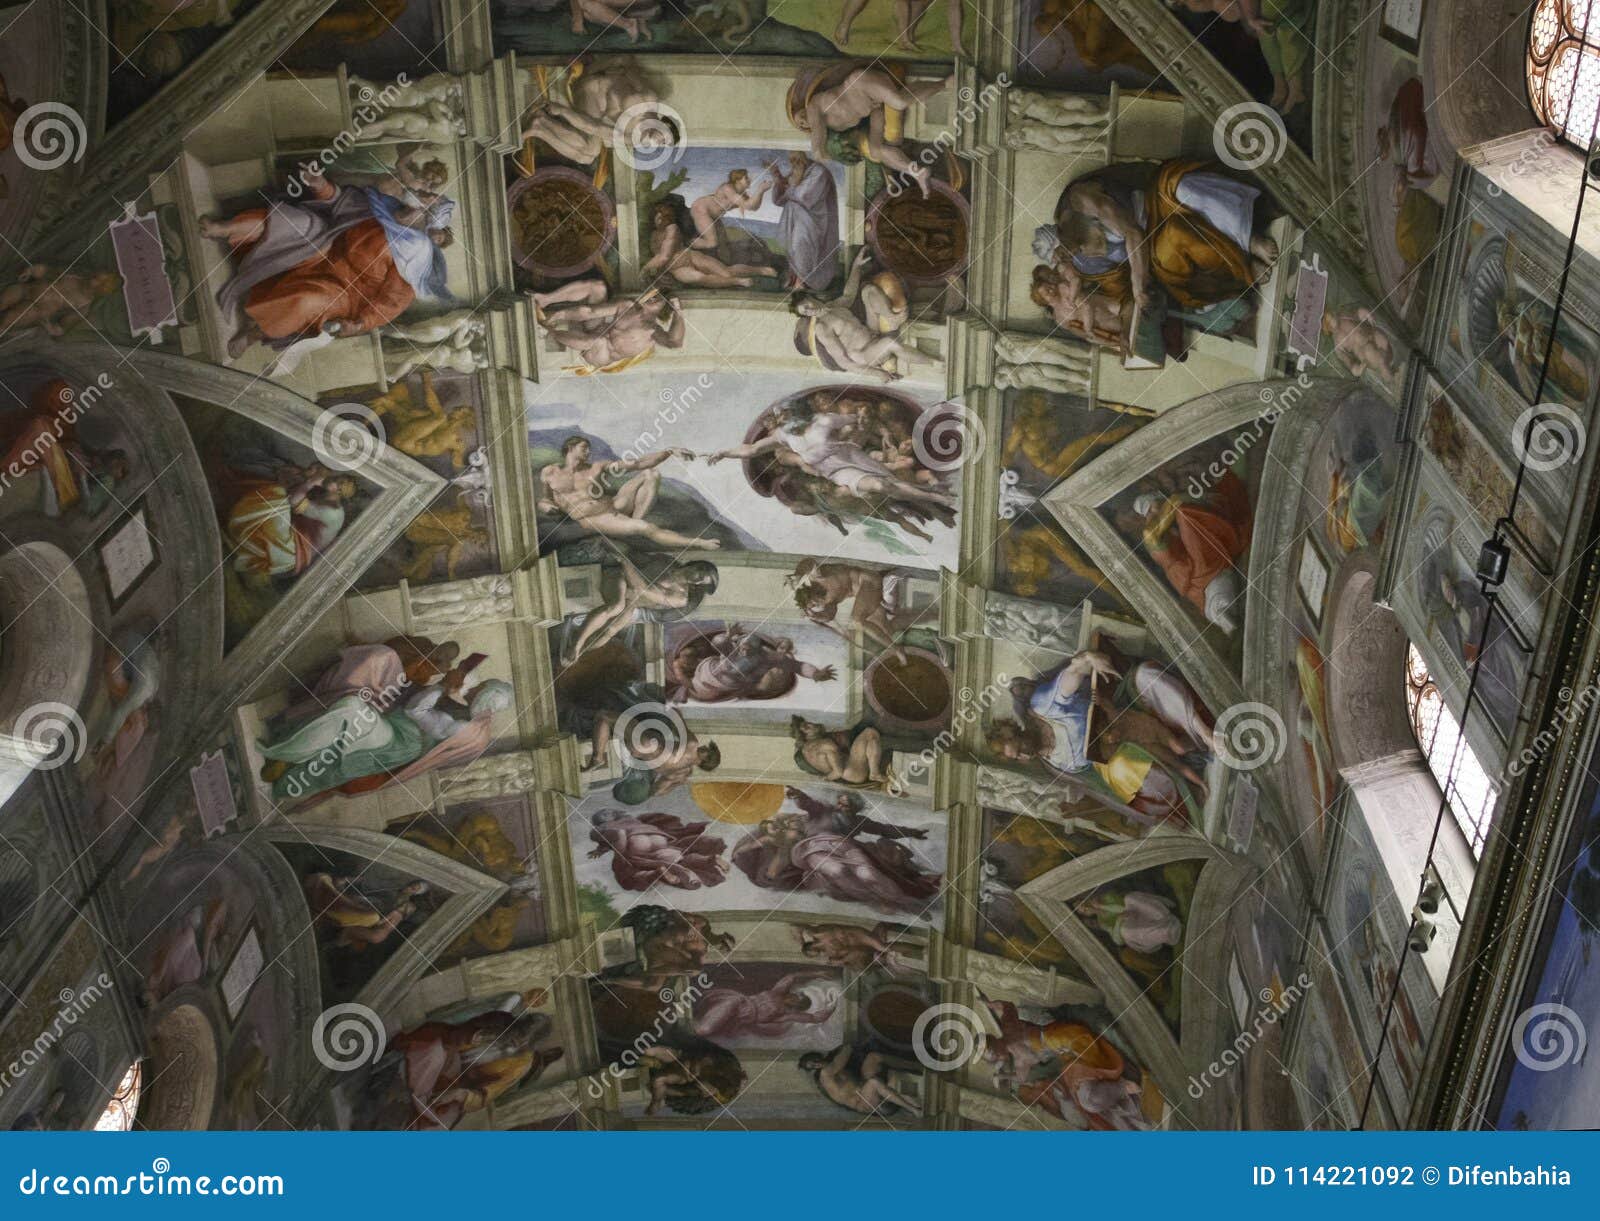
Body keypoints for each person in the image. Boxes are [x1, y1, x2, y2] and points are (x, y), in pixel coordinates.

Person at [203, 168, 451, 359]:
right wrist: (319, 184)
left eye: (423, 210)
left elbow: (393, 301)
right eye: (418, 201)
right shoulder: (381, 206)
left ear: (426, 225)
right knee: (294, 222)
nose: (417, 206)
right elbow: (339, 202)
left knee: (307, 301)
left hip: (345, 292)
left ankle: (256, 332)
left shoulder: (415, 256)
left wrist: (360, 323)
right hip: (325, 247)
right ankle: (225, 229)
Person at [1055, 160, 1276, 312]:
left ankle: (1250, 240)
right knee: (1173, 247)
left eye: (1066, 250)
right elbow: (1118, 284)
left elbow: (1132, 233)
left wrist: (1137, 284)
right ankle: (1243, 267)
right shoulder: (1083, 257)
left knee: (1180, 186)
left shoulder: (1082, 198)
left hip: (1154, 202)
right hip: (1153, 239)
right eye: (1069, 255)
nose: (1072, 254)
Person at [258, 671, 513, 803]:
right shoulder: (462, 711)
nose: (474, 686)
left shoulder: (459, 726)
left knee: (352, 710)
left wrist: (440, 687)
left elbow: (415, 710)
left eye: (480, 687)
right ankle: (287, 753)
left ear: (483, 696)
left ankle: (284, 755)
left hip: (399, 741)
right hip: (397, 729)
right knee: (349, 717)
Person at [707, 401, 956, 515]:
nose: (781, 422)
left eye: (784, 416)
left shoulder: (824, 420)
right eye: (780, 419)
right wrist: (723, 453)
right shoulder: (784, 437)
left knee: (888, 481)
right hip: (834, 471)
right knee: (881, 486)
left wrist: (862, 423)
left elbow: (856, 421)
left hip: (850, 455)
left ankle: (935, 496)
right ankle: (933, 495)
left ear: (796, 415)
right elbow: (750, 450)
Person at [731, 786, 938, 915]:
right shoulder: (823, 811)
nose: (840, 807)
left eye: (846, 806)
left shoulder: (858, 822)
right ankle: (876, 898)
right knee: (836, 872)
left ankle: (905, 900)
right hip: (810, 849)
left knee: (868, 872)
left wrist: (912, 832)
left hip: (844, 846)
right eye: (839, 803)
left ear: (854, 809)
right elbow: (808, 803)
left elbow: (885, 830)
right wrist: (799, 795)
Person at [788, 64, 951, 197]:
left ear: (804, 107)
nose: (803, 121)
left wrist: (817, 151)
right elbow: (826, 130)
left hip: (861, 84)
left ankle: (944, 83)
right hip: (874, 108)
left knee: (899, 102)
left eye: (801, 115)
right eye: (801, 124)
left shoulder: (814, 105)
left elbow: (818, 133)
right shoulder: (832, 125)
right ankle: (917, 172)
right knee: (876, 151)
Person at [1126, 468, 1252, 633]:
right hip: (1189, 573)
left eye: (1153, 506)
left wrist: (1173, 507)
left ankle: (1224, 614)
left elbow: (1185, 503)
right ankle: (1226, 618)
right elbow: (1154, 539)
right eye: (1149, 511)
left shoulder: (1178, 507)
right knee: (1210, 595)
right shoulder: (1156, 528)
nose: (1153, 512)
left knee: (1215, 584)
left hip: (1208, 554)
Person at [537, 435, 718, 550]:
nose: (589, 451)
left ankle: (635, 520)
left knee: (650, 474)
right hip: (592, 518)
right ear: (570, 448)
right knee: (645, 528)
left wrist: (669, 451)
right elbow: (544, 500)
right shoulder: (550, 472)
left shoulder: (598, 467)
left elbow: (637, 464)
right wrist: (547, 507)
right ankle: (698, 542)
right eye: (584, 447)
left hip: (614, 505)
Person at [791, 248, 925, 380]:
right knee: (891, 344)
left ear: (811, 298)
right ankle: (935, 363)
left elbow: (849, 295)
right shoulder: (822, 328)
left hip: (870, 330)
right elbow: (845, 362)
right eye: (806, 312)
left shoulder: (833, 306)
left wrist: (856, 266)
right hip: (865, 353)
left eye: (807, 306)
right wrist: (879, 374)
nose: (810, 311)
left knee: (868, 290)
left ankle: (892, 318)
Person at [565, 557, 719, 663]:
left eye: (701, 583)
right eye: (700, 575)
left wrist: (626, 563)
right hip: (619, 579)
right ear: (696, 565)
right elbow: (635, 564)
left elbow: (642, 590)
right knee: (616, 606)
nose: (697, 581)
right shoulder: (665, 561)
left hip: (632, 602)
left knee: (610, 630)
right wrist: (625, 564)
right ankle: (577, 644)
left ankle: (579, 654)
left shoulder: (681, 598)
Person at [225, 464, 357, 585]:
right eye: (338, 479)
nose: (333, 483)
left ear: (341, 495)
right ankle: (239, 523)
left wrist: (312, 481)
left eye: (339, 487)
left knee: (278, 497)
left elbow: (293, 501)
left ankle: (241, 529)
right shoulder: (326, 496)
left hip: (294, 553)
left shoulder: (332, 513)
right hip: (293, 534)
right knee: (274, 492)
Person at [521, 63, 676, 159]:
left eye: (662, 144)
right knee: (590, 148)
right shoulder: (648, 98)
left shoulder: (633, 137)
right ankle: (540, 123)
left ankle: (539, 129)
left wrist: (563, 111)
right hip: (592, 87)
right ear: (664, 125)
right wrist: (597, 70)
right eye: (663, 138)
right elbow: (627, 66)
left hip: (596, 109)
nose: (658, 143)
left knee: (588, 156)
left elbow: (594, 128)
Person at [788, 558, 928, 662]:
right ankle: (928, 618)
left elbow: (808, 562)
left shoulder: (817, 577)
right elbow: (830, 615)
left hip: (867, 580)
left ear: (808, 592)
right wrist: (816, 617)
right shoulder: (826, 601)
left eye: (811, 602)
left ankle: (897, 649)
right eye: (813, 606)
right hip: (865, 595)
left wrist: (797, 575)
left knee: (857, 620)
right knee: (888, 630)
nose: (815, 605)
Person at [531, 282, 685, 374]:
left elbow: (675, 342)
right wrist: (560, 315)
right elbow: (590, 312)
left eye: (657, 300)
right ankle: (545, 299)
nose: (651, 298)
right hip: (592, 333)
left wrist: (678, 311)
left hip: (598, 355)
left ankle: (550, 332)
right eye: (653, 295)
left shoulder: (652, 332)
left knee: (599, 341)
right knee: (598, 287)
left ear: (663, 310)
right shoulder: (628, 306)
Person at [666, 625, 835, 703]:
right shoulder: (732, 648)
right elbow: (717, 643)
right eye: (742, 647)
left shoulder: (767, 657)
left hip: (714, 686)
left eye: (748, 648)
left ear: (758, 648)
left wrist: (815, 674)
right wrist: (728, 634)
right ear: (738, 643)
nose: (744, 651)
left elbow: (797, 666)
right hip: (706, 671)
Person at [642, 202, 778, 288]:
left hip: (691, 256)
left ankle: (760, 270)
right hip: (677, 268)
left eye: (662, 217)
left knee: (726, 271)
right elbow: (662, 259)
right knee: (700, 278)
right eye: (658, 217)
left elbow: (664, 256)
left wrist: (645, 269)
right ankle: (738, 282)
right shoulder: (654, 234)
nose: (659, 220)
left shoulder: (672, 228)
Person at [587, 808, 728, 890]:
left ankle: (658, 873)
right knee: (680, 857)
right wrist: (603, 848)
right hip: (659, 838)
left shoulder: (604, 828)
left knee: (626, 872)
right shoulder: (633, 820)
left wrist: (618, 855)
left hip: (637, 842)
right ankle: (709, 860)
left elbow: (618, 835)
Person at [768, 151, 841, 291]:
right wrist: (778, 179)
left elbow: (804, 196)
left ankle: (803, 282)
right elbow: (779, 200)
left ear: (803, 158)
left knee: (800, 245)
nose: (793, 163)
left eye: (796, 159)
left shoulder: (819, 172)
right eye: (791, 160)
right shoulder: (797, 173)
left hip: (815, 221)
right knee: (794, 248)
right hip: (798, 220)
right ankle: (795, 280)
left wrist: (790, 185)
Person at [693, 973, 840, 1040]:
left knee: (702, 1031)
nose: (793, 996)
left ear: (796, 1005)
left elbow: (814, 1018)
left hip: (735, 1020)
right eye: (796, 994)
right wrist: (816, 974)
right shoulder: (777, 992)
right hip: (735, 1003)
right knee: (703, 1029)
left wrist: (832, 1005)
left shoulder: (783, 1015)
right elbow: (792, 977)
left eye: (797, 999)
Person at [0, 265, 123, 337]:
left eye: (97, 281)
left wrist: (51, 329)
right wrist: (31, 271)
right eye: (95, 276)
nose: (92, 279)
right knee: (3, 300)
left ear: (100, 289)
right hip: (26, 290)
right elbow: (46, 271)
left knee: (9, 318)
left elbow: (62, 327)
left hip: (35, 310)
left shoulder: (83, 306)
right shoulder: (73, 275)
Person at [798, 1045, 920, 1115]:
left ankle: (917, 1066)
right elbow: (848, 1049)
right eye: (813, 1066)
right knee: (873, 1083)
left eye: (815, 1061)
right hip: (868, 1104)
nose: (817, 1065)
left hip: (867, 1090)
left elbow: (848, 1048)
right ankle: (913, 1109)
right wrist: (839, 1050)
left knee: (874, 1057)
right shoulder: (825, 1074)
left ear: (819, 1057)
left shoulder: (831, 1067)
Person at [791, 716, 888, 786]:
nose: (812, 724)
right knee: (870, 732)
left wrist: (826, 778)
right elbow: (838, 772)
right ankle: (874, 773)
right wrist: (828, 778)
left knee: (870, 740)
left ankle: (874, 772)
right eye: (807, 725)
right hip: (853, 771)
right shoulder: (825, 744)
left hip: (850, 772)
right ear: (804, 733)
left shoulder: (805, 750)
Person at [689, 168, 772, 249]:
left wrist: (762, 192)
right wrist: (760, 190)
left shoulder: (743, 195)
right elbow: (748, 205)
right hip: (701, 209)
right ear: (737, 180)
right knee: (711, 243)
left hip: (712, 216)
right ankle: (688, 243)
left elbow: (754, 207)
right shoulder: (727, 188)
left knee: (720, 244)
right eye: (746, 177)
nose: (749, 179)